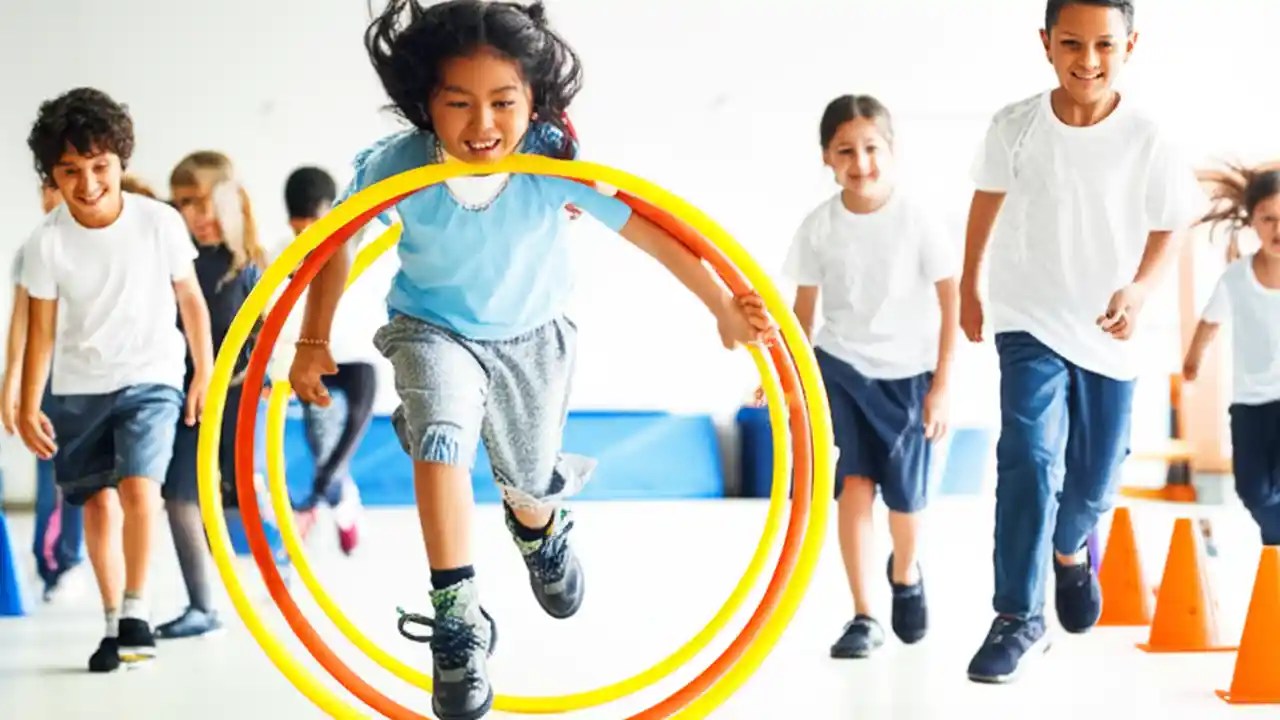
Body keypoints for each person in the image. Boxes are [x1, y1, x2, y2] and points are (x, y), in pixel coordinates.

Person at [286, 2, 772, 717]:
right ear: (426, 104)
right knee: (439, 438)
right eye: (459, 103)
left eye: (502, 103)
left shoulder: (548, 161)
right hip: (431, 328)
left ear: (532, 101)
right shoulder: (397, 167)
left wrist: (721, 304)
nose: (482, 124)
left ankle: (538, 529)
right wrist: (312, 338)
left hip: (531, 339)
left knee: (526, 483)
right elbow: (339, 243)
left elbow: (647, 229)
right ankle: (457, 622)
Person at [959, 0, 1205, 683]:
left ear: (1131, 46)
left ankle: (1071, 550)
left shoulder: (1148, 138)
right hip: (1027, 316)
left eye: (1104, 45)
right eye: (1071, 43)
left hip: (1109, 328)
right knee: (1029, 458)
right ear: (1045, 43)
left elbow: (1172, 225)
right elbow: (985, 198)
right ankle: (1017, 615)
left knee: (1095, 483)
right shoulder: (1015, 126)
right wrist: (968, 286)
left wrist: (1139, 290)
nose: (1087, 61)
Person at [17, 88, 215, 672]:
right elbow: (41, 333)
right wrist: (29, 403)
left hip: (151, 376)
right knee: (98, 506)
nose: (88, 183)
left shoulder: (159, 222)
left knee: (139, 489)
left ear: (121, 163)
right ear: (53, 175)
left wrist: (202, 369)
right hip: (79, 386)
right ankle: (112, 624)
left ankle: (137, 607)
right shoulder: (45, 242)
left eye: (100, 166)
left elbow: (192, 303)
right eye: (70, 171)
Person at [782, 94, 957, 659]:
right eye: (845, 151)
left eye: (871, 148)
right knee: (853, 485)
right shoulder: (818, 227)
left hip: (909, 375)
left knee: (906, 504)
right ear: (827, 159)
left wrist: (943, 386)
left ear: (892, 150)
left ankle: (905, 572)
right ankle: (863, 614)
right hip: (841, 366)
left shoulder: (917, 219)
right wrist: (788, 376)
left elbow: (951, 303)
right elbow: (801, 314)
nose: (860, 163)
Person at [153, 150, 270, 639]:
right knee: (179, 497)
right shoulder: (173, 261)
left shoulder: (248, 264)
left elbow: (266, 331)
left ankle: (276, 565)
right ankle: (202, 605)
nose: (197, 214)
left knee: (244, 490)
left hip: (239, 396)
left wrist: (255, 378)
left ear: (231, 200)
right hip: (186, 396)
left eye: (206, 201)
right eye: (184, 203)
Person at [279, 166, 384, 555]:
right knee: (323, 450)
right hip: (313, 363)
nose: (308, 234)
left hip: (359, 363)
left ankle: (323, 504)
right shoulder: (282, 255)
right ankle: (342, 502)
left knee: (335, 455)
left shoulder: (356, 239)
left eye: (317, 223)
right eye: (300, 226)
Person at [1183, 163, 1280, 547]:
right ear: (1252, 222)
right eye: (1268, 219)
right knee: (1252, 489)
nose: (1278, 228)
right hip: (1250, 401)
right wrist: (1193, 360)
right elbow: (1210, 321)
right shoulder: (1237, 277)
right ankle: (1275, 539)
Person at [3, 184, 84, 603]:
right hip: (50, 380)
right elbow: (22, 322)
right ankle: (49, 562)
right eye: (49, 188)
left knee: (85, 477)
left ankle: (70, 559)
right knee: (51, 475)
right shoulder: (33, 250)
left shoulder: (102, 243)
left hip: (93, 377)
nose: (54, 198)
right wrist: (11, 383)